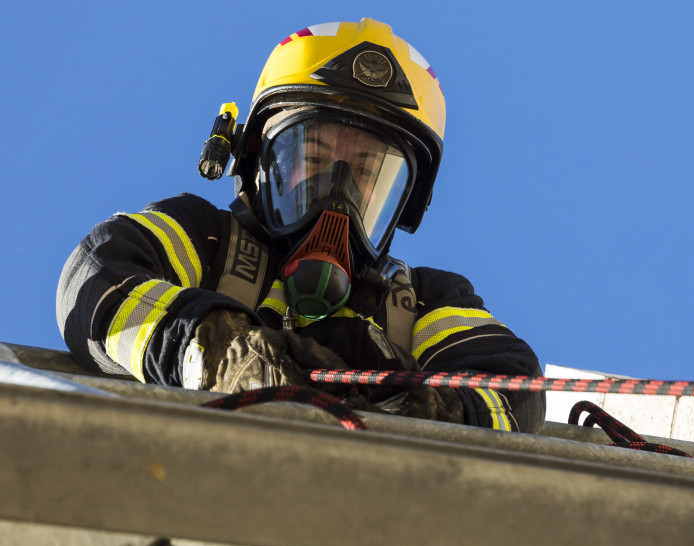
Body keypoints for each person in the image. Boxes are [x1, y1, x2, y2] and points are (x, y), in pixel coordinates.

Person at [55, 18, 545, 433]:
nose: (340, 194)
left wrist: (412, 412)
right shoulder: (204, 240)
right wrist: (220, 353)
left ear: (403, 203)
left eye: (366, 173)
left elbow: (512, 389)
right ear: (256, 160)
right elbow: (97, 282)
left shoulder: (421, 302)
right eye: (313, 156)